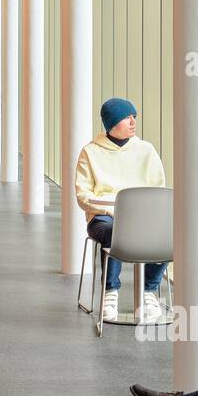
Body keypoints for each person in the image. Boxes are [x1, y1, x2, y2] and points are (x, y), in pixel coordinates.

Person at [75, 96, 168, 323]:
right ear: (111, 123)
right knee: (115, 230)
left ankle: (149, 290)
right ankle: (110, 292)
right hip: (104, 217)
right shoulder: (90, 152)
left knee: (170, 231)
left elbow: (158, 189)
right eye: (126, 118)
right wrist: (111, 209)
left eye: (134, 117)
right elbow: (83, 195)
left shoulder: (147, 150)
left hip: (143, 216)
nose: (133, 122)